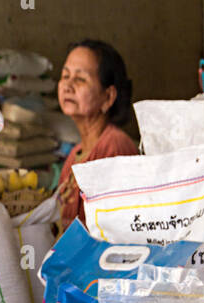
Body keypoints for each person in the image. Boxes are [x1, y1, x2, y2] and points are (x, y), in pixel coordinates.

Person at [56, 39, 138, 233]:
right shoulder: (75, 154)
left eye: (80, 79)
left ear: (108, 97)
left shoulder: (116, 148)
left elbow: (113, 230)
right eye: (65, 75)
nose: (67, 86)